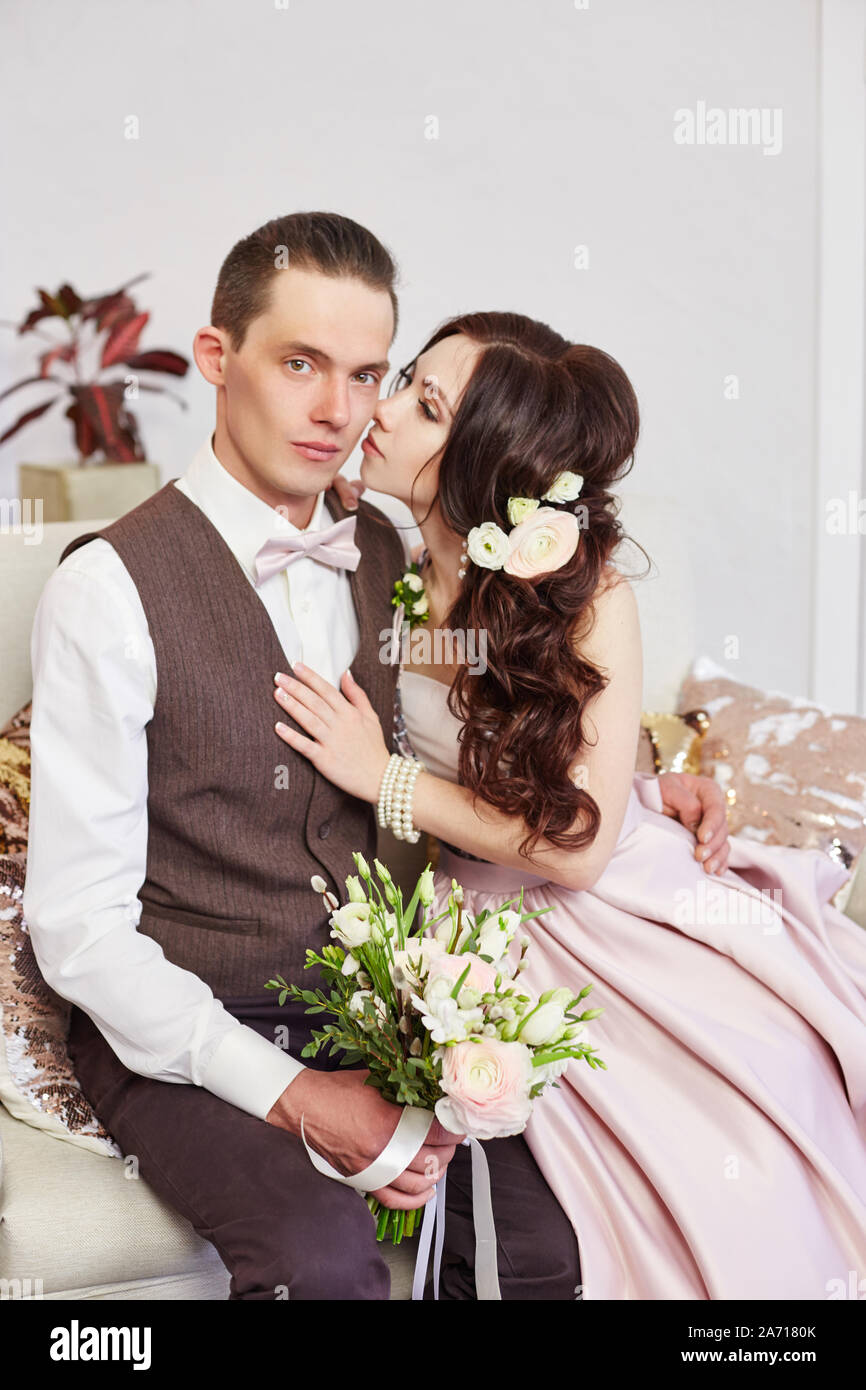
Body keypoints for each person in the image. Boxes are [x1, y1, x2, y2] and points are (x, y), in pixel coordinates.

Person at [24, 211, 729, 1301]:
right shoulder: (106, 590)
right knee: (319, 1265)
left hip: (393, 1001)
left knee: (545, 1254)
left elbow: (515, 696)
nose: (337, 411)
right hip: (183, 1019)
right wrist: (296, 1094)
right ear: (217, 359)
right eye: (299, 363)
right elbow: (77, 931)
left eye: (365, 374)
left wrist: (648, 776)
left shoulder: (405, 547)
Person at [273, 308, 866, 1299]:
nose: (376, 409)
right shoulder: (380, 569)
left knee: (738, 1152)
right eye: (408, 379)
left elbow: (579, 849)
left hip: (605, 908)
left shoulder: (587, 596)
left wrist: (385, 780)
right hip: (474, 925)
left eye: (421, 406)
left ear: (476, 464)